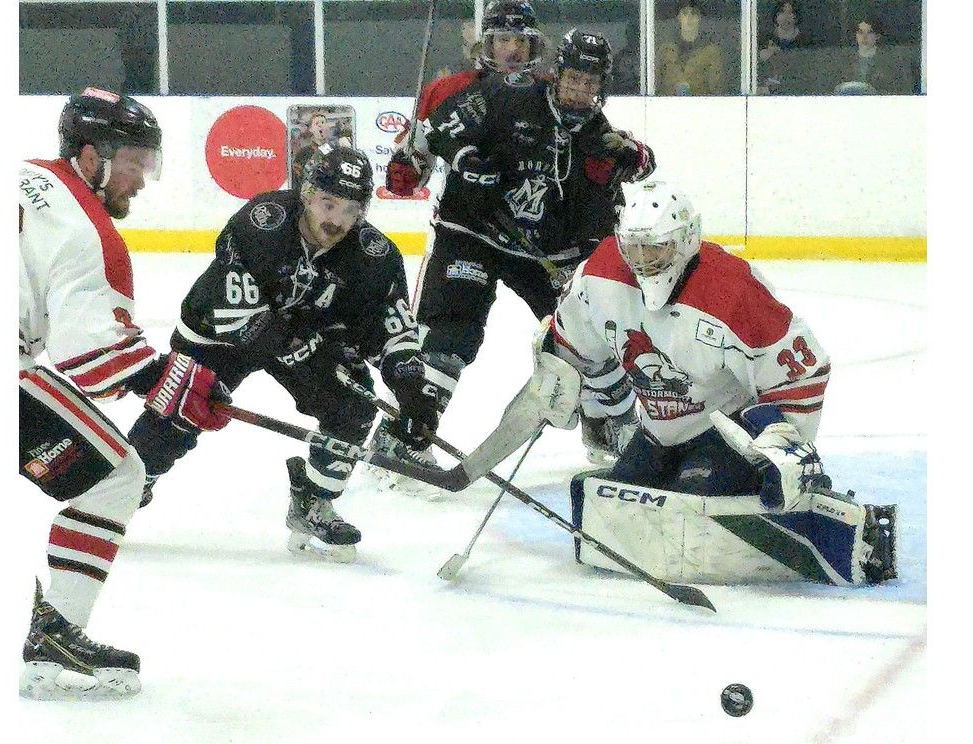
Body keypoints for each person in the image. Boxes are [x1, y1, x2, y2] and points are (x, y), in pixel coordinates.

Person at [538, 181, 895, 585]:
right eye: (633, 248)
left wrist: (786, 452)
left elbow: (803, 372)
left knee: (691, 500)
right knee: (608, 502)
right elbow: (570, 339)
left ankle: (797, 498)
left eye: (655, 248)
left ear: (687, 240)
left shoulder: (732, 291)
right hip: (659, 432)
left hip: (727, 432)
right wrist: (560, 377)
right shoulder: (600, 276)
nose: (643, 261)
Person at [127, 143, 439, 563]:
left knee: (352, 406)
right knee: (186, 398)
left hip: (306, 339)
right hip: (221, 328)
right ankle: (129, 483)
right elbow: (236, 308)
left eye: (351, 209)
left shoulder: (374, 257)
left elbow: (390, 327)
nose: (337, 219)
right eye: (329, 203)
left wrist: (411, 387)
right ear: (308, 193)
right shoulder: (262, 222)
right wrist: (296, 349)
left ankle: (313, 501)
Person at [19, 88, 230, 698]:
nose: (141, 180)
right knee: (118, 476)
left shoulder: (23, 175)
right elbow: (90, 357)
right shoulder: (92, 235)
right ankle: (56, 636)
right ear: (92, 157)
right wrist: (172, 380)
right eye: (135, 161)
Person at [372, 29, 656, 475]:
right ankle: (404, 436)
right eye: (573, 79)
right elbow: (436, 129)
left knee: (595, 336)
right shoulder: (512, 93)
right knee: (449, 339)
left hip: (537, 254)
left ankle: (606, 425)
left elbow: (602, 213)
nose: (580, 91)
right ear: (557, 73)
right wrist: (461, 155)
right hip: (473, 235)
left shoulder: (598, 138)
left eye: (591, 83)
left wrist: (581, 267)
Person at [386, 0, 546, 201]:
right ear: (488, 45)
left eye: (522, 40)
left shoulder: (550, 95)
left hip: (534, 220)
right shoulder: (448, 91)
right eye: (504, 39)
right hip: (463, 221)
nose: (514, 49)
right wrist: (408, 167)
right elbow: (414, 166)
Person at [832, 18, 916, 95]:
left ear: (877, 36)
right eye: (860, 32)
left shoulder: (889, 62)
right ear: (856, 35)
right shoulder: (845, 61)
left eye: (869, 32)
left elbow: (899, 90)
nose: (864, 37)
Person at [655, 1, 723, 95]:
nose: (689, 18)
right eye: (685, 13)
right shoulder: (665, 51)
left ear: (699, 18)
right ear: (679, 17)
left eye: (694, 14)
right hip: (668, 106)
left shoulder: (711, 52)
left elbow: (717, 89)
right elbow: (656, 86)